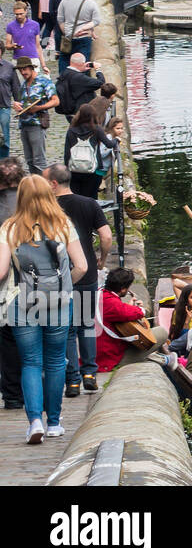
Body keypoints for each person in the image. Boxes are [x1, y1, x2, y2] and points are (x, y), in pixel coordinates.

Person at [0, 174, 88, 443]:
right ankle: (54, 423)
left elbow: (1, 271)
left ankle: (35, 420)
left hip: (22, 303)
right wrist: (62, 287)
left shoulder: (10, 228)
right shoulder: (63, 224)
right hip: (58, 304)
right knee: (54, 361)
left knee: (30, 362)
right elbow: (82, 266)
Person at [45, 164, 111, 396]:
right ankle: (90, 374)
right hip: (87, 273)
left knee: (68, 330)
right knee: (85, 325)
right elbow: (106, 235)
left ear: (53, 183)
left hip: (58, 275)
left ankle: (72, 381)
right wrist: (101, 259)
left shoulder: (47, 209)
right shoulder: (89, 203)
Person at [0, 158, 25, 410]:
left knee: (7, 340)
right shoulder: (33, 205)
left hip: (5, 284)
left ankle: (12, 394)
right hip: (37, 282)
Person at [95, 267, 153, 375]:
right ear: (122, 289)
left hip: (97, 352)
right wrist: (140, 309)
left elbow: (119, 311)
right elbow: (140, 312)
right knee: (161, 333)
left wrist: (128, 307)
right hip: (107, 359)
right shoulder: (113, 304)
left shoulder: (100, 293)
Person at [13, 56, 57, 175]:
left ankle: (44, 188)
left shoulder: (43, 81)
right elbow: (24, 104)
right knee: (30, 161)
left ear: (31, 68)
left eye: (25, 69)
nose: (23, 72)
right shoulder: (23, 85)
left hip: (37, 124)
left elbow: (55, 101)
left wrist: (39, 108)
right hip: (24, 125)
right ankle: (35, 188)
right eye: (20, 70)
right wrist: (18, 106)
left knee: (39, 161)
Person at [64, 101, 117, 198]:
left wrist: (67, 168)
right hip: (93, 169)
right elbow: (109, 144)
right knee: (91, 196)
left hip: (74, 170)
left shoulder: (71, 130)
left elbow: (67, 152)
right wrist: (116, 140)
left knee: (76, 197)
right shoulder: (96, 129)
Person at [56, 0, 101, 71]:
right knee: (83, 65)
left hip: (69, 38)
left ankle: (64, 82)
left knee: (64, 62)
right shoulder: (91, 3)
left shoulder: (65, 0)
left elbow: (60, 19)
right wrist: (84, 28)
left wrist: (68, 33)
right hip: (84, 37)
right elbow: (96, 21)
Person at [0, 48, 15, 160]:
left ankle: (4, 161)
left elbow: (16, 87)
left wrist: (20, 103)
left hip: (4, 106)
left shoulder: (9, 67)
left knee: (5, 136)